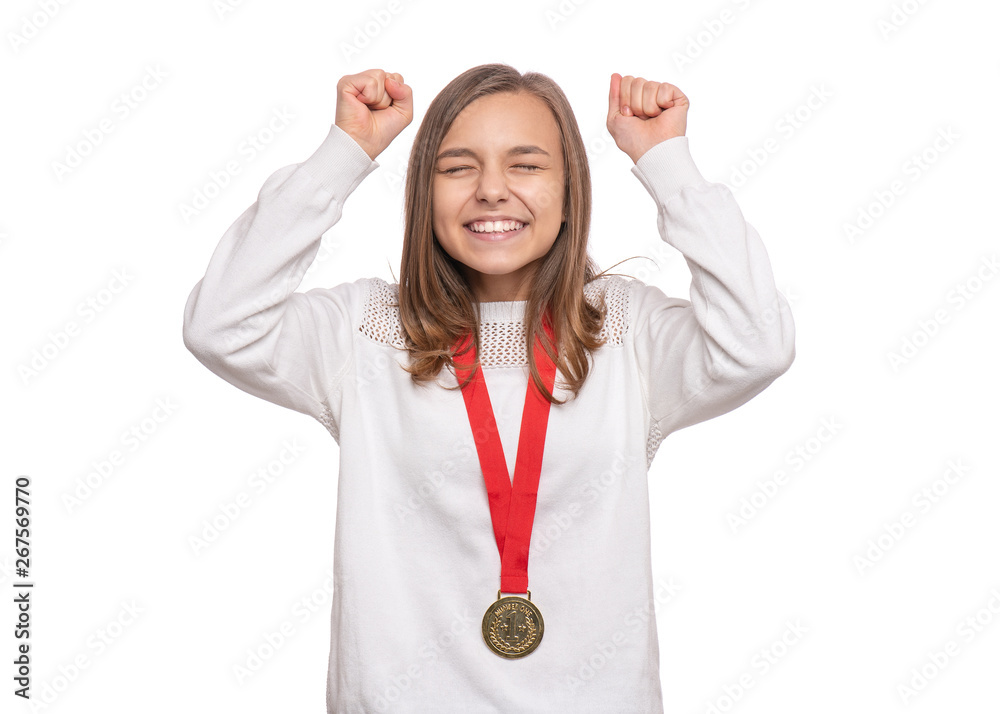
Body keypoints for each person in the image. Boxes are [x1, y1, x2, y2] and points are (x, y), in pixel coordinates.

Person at [182, 63, 795, 713]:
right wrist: (344, 153)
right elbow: (221, 325)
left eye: (527, 165)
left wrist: (668, 165)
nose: (492, 190)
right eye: (457, 168)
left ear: (569, 193)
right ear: (425, 194)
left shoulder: (626, 330)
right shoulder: (363, 333)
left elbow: (757, 344)